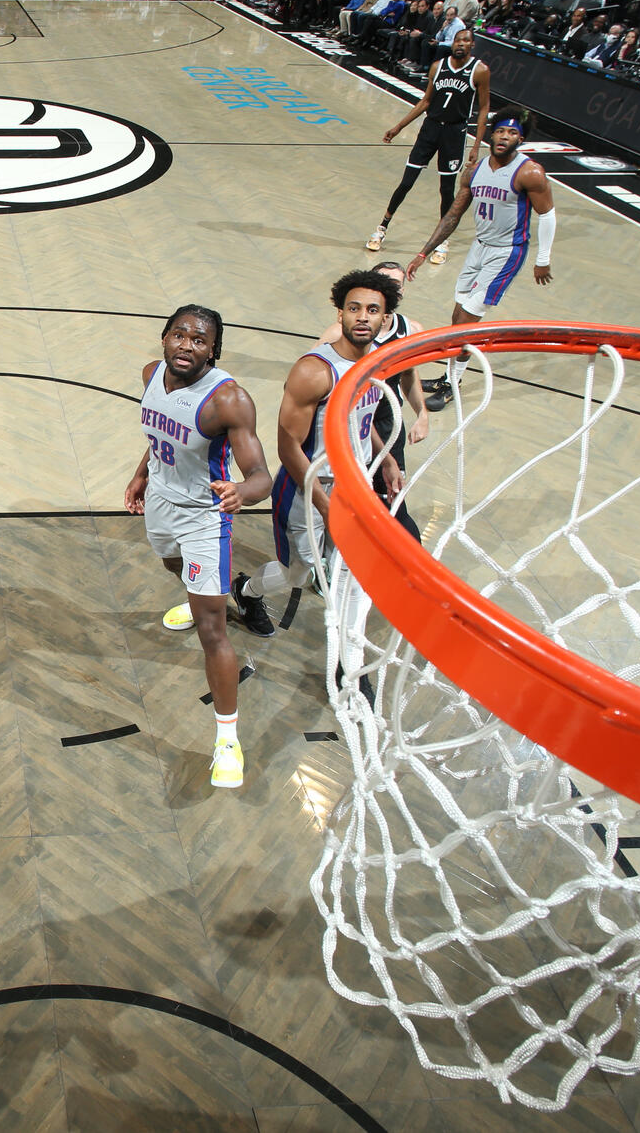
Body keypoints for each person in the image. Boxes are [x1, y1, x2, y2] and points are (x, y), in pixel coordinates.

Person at [124, 306, 276, 790]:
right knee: (172, 564)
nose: (187, 345)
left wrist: (241, 493)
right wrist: (142, 474)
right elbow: (158, 433)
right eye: (180, 335)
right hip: (162, 504)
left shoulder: (228, 400)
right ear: (164, 338)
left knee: (213, 631)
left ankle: (227, 741)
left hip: (205, 517)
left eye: (199, 340)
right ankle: (214, 589)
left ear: (214, 349)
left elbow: (261, 477)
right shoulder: (151, 375)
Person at [260, 271, 405, 606]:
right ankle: (247, 591)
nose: (362, 316)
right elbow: (288, 447)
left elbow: (360, 420)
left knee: (343, 565)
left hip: (354, 482)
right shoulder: (314, 371)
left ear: (385, 318)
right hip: (307, 487)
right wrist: (324, 506)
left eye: (372, 309)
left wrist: (387, 459)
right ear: (340, 314)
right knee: (299, 574)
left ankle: (344, 646)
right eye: (354, 308)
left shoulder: (377, 361)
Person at [406, 105, 557, 332]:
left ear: (521, 139)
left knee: (467, 319)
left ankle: (451, 369)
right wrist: (423, 253)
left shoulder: (529, 172)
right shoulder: (474, 171)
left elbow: (547, 215)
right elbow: (452, 215)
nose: (505, 136)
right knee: (457, 317)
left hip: (506, 251)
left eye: (512, 133)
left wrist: (542, 259)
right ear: (492, 134)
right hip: (478, 247)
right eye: (500, 131)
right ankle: (454, 368)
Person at [317, 262, 427, 539]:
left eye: (397, 284)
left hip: (387, 422)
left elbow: (410, 376)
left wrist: (422, 414)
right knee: (346, 494)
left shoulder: (410, 330)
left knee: (392, 495)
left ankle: (395, 553)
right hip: (349, 421)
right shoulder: (338, 333)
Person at [367, 26, 492, 264]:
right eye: (458, 40)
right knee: (406, 182)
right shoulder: (438, 66)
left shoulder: (480, 71)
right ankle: (381, 228)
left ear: (472, 45)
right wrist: (399, 126)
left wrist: (476, 146)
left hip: (455, 133)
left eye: (466, 41)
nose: (461, 44)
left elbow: (484, 108)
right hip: (430, 129)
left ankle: (442, 241)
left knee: (446, 190)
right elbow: (425, 101)